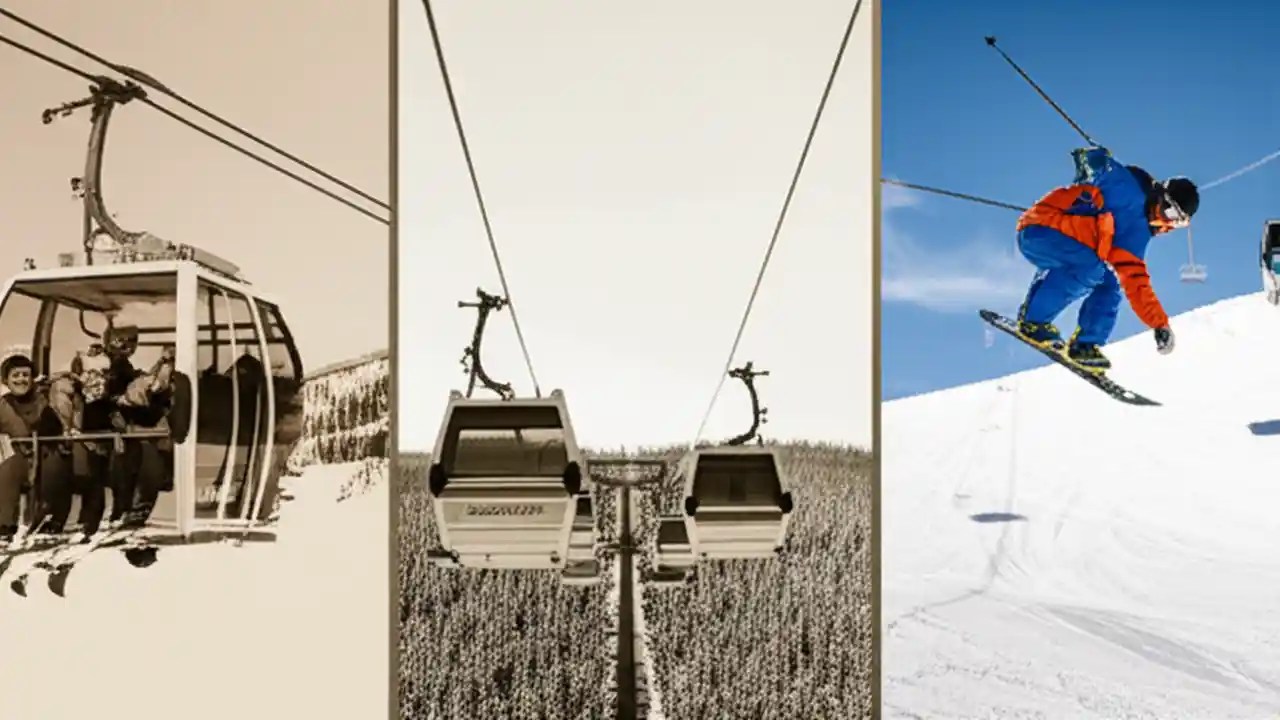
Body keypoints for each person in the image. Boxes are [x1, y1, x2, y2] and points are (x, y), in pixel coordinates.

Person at [1014, 145, 1199, 372]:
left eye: (1176, 221)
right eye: (1168, 212)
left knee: (1109, 283)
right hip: (1041, 228)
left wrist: (1159, 324)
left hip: (1071, 249)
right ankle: (1034, 321)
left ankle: (1085, 345)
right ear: (1160, 195)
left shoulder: (1137, 235)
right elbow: (1100, 168)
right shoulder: (1127, 187)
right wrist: (1093, 158)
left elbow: (1136, 281)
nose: (1166, 221)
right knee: (1090, 268)